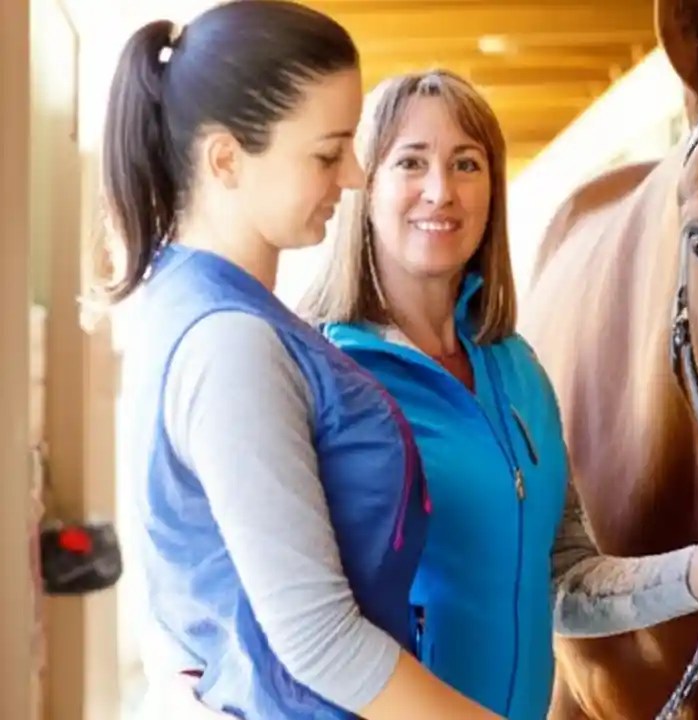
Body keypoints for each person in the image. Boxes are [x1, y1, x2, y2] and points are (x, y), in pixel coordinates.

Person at [292, 68, 698, 719]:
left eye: (466, 164)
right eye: (411, 163)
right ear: (368, 185)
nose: (441, 191)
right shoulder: (326, 373)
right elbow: (303, 625)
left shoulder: (519, 371)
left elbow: (565, 584)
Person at [100, 2, 500, 718]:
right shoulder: (229, 343)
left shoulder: (212, 307)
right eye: (327, 153)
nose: (352, 175)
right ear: (226, 158)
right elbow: (316, 638)